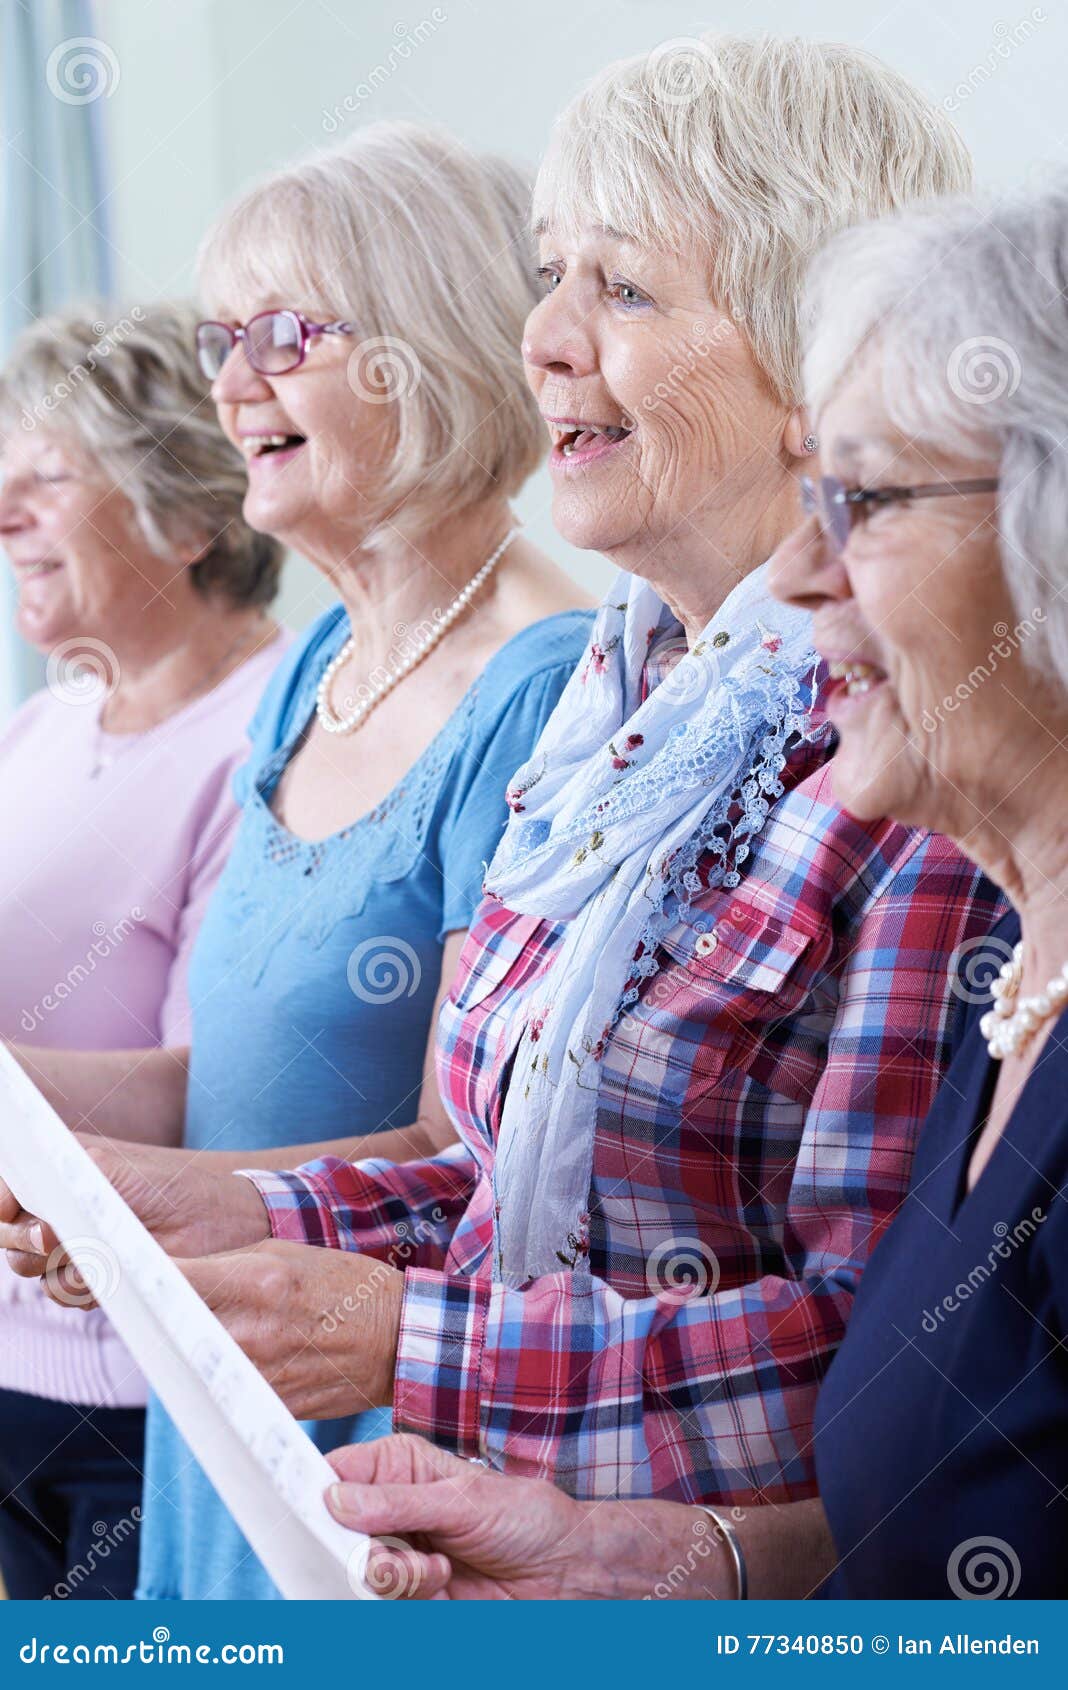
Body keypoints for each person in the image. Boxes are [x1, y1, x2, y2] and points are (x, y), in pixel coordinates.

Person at [4, 39, 1002, 1533]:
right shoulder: (616, 699)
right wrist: (245, 1209)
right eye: (550, 276)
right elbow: (491, 1180)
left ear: (819, 354)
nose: (542, 337)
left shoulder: (917, 765)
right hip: (479, 1549)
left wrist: (404, 1340)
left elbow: (890, 1364)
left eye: (625, 287)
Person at [322, 182, 1068, 1601]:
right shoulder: (1024, 997)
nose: (801, 576)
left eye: (862, 502)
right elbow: (935, 1520)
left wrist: (386, 1331)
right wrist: (671, 1567)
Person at [0, 124, 592, 1602]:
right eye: (221, 342)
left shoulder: (542, 683)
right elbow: (224, 1076)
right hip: (220, 1404)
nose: (231, 386)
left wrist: (144, 1205)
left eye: (283, 336)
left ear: (424, 345)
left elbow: (466, 1162)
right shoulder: (317, 666)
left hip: (380, 1446)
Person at [0, 302, 288, 1598]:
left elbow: (203, 1094)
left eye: (50, 478)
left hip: (138, 1396)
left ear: (189, 517)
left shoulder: (269, 739)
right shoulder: (43, 727)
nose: (7, 514)